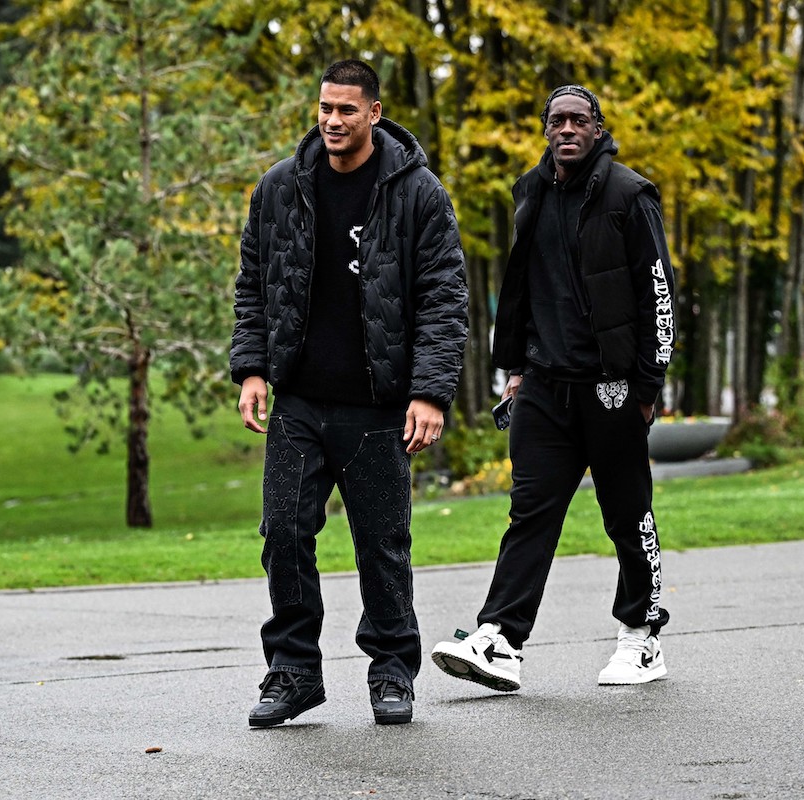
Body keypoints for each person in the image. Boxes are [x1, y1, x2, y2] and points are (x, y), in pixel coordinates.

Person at [230, 59, 468, 726]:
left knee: (382, 544)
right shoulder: (281, 188)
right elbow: (254, 283)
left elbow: (445, 300)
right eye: (325, 108)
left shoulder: (418, 193)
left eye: (346, 110)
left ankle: (393, 671)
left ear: (374, 112)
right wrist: (251, 369)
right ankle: (293, 671)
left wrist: (430, 393)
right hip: (299, 402)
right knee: (283, 534)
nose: (333, 121)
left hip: (377, 406)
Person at [431, 85, 676, 691]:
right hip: (542, 385)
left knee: (627, 515)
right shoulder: (530, 191)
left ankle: (641, 637)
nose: (567, 129)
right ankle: (501, 640)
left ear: (597, 128)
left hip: (612, 388)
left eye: (578, 120)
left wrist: (647, 384)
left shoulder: (629, 194)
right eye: (557, 120)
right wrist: (513, 366)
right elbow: (522, 286)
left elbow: (660, 293)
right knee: (529, 513)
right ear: (545, 130)